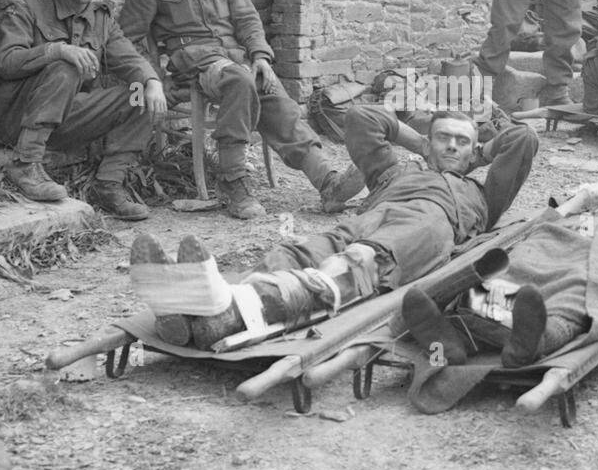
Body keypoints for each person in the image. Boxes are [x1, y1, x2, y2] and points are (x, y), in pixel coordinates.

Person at [144, 107, 540, 350]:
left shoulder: (483, 194)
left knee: (364, 257)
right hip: (371, 215)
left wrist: (480, 156)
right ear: (428, 143)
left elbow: (523, 138)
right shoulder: (394, 170)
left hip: (426, 227)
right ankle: (208, 307)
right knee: (307, 249)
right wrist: (418, 144)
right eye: (443, 139)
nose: (452, 147)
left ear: (473, 150)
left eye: (461, 142)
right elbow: (362, 118)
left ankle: (231, 312)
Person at [118, 0, 363, 219]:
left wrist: (261, 57)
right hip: (194, 64)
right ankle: (234, 183)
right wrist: (152, 78)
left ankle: (327, 182)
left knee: (275, 97)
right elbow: (128, 36)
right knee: (238, 79)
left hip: (236, 59)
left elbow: (247, 20)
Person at [401, 152, 598, 370]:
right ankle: (470, 340)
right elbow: (549, 222)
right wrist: (584, 198)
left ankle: (515, 338)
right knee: (506, 274)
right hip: (558, 245)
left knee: (582, 288)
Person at [0, 0, 166, 220]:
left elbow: (130, 59)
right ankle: (26, 164)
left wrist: (152, 81)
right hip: (14, 119)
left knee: (139, 91)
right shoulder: (28, 7)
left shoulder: (101, 19)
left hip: (64, 119)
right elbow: (5, 63)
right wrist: (56, 50)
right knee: (66, 66)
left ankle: (109, 185)